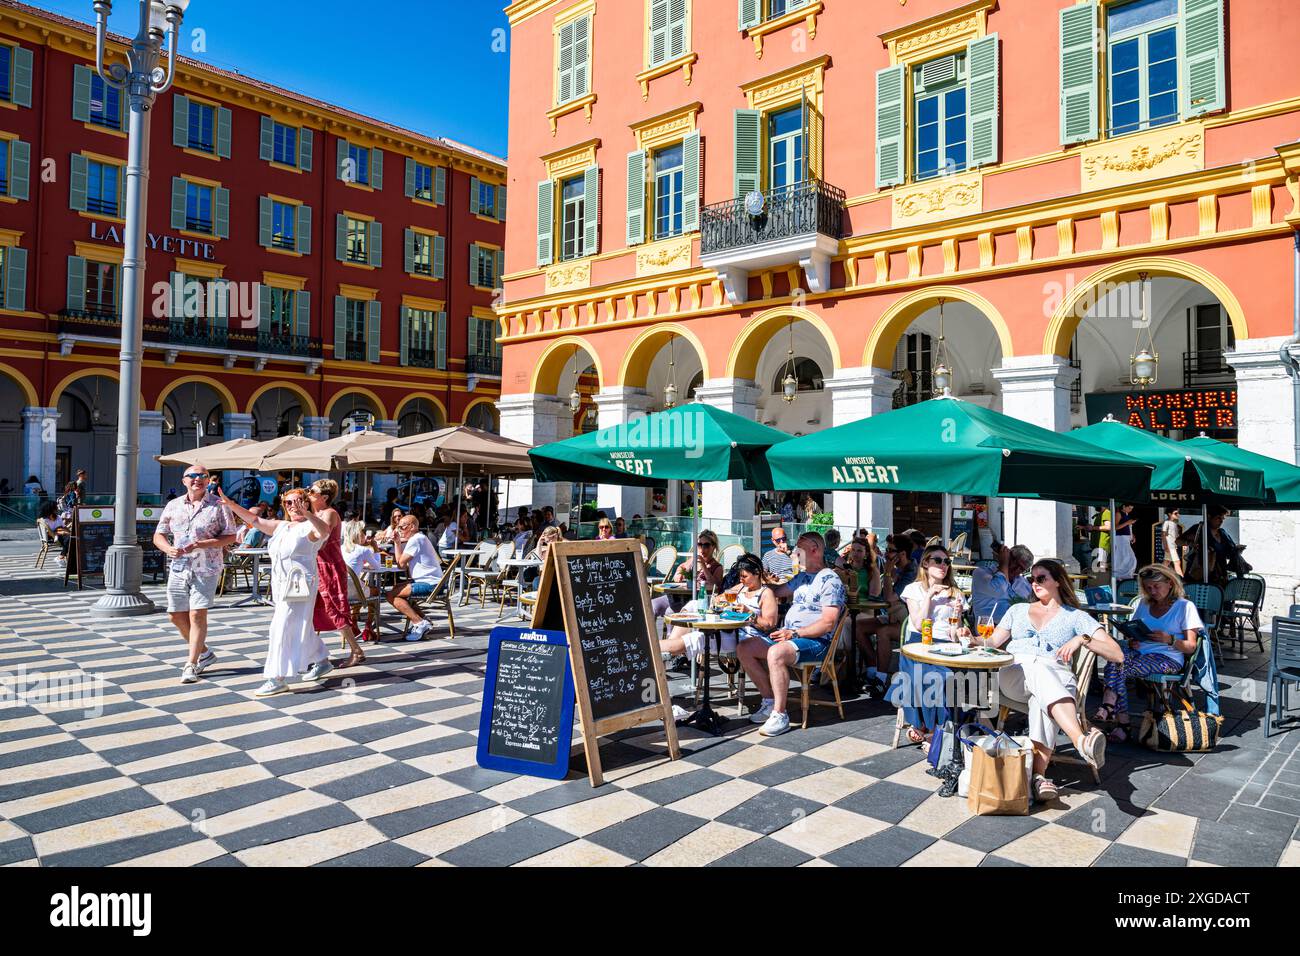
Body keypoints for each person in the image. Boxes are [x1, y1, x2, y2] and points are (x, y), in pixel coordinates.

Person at [981, 559, 1122, 802]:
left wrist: (1083, 639)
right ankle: (1080, 740)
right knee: (1039, 669)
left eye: (1041, 578)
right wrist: (971, 638)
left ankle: (1038, 777)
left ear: (1057, 580)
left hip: (1056, 678)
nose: (1034, 583)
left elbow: (1117, 654)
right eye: (1031, 579)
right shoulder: (1017, 610)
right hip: (1017, 673)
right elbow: (992, 643)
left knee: (1042, 700)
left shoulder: (1077, 617)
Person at [220, 486, 336, 697]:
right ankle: (321, 660)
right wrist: (231, 505)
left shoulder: (310, 526)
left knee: (280, 626)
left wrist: (307, 513)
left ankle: (276, 677)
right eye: (289, 502)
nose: (293, 506)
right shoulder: (282, 526)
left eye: (298, 501)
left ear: (307, 503)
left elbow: (325, 531)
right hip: (281, 583)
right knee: (299, 623)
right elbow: (254, 521)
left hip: (300, 583)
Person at [737, 532, 845, 737]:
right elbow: (777, 592)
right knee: (744, 647)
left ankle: (780, 714)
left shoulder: (830, 580)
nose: (794, 552)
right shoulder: (802, 577)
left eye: (799, 549)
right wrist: (757, 579)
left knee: (776, 653)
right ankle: (769, 702)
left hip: (816, 641)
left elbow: (829, 623)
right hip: (790, 637)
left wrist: (794, 632)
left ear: (814, 550)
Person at [1093, 564, 1201, 743]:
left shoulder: (1184, 607)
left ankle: (1116, 716)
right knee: (1115, 660)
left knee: (1118, 666)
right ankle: (1117, 717)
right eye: (1148, 587)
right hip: (1139, 653)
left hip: (1168, 657)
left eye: (1156, 586)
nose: (1152, 591)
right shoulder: (1144, 604)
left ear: (1170, 583)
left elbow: (1191, 646)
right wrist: (1131, 640)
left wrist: (1170, 639)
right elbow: (1133, 630)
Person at [154, 465, 237, 684]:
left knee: (196, 614)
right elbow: (159, 535)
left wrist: (204, 544)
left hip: (206, 566)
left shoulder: (218, 505)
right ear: (184, 481)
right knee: (175, 614)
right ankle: (205, 652)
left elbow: (231, 536)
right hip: (179, 566)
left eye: (202, 476)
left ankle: (191, 664)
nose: (197, 479)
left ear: (208, 480)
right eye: (192, 476)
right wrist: (167, 548)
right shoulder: (173, 505)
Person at [889, 544, 969, 745]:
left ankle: (931, 728)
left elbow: (954, 633)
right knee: (924, 676)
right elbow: (917, 623)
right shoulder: (913, 589)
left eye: (947, 562)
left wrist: (957, 615)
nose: (944, 565)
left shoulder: (955, 592)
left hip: (945, 645)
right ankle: (929, 728)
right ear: (925, 563)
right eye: (938, 560)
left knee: (945, 677)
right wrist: (930, 596)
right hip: (918, 643)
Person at [305, 480, 366, 669]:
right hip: (316, 566)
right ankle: (312, 654)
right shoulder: (315, 513)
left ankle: (356, 650)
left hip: (329, 567)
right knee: (311, 610)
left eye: (311, 491)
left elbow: (321, 542)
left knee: (334, 608)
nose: (308, 492)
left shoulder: (330, 514)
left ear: (324, 497)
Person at [388, 514, 444, 641]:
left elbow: (401, 564)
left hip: (430, 584)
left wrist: (397, 543)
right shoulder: (419, 538)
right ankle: (424, 620)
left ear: (412, 527)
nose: (399, 530)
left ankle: (419, 622)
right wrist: (397, 542)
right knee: (397, 589)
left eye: (402, 527)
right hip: (433, 582)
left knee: (391, 595)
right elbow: (401, 563)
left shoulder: (416, 540)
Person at [1178, 505, 1247, 586]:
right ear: (1209, 516)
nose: (1221, 521)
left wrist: (1237, 549)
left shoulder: (1222, 533)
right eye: (1218, 518)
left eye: (1223, 519)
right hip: (1200, 572)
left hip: (1219, 575)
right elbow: (1178, 541)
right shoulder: (1199, 529)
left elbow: (1228, 553)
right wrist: (1192, 544)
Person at [971, 544, 1033, 623]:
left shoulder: (1023, 583)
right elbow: (999, 590)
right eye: (1015, 563)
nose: (1016, 569)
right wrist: (1004, 564)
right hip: (989, 628)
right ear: (1007, 558)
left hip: (1016, 628)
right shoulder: (981, 573)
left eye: (1021, 568)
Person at [1162, 508, 1184, 576]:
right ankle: (1181, 579)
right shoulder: (1167, 523)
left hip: (1172, 545)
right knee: (1177, 562)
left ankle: (1158, 573)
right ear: (1169, 514)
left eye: (1178, 513)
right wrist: (1166, 546)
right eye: (1175, 513)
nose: (1178, 514)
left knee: (1167, 562)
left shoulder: (1173, 523)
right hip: (1170, 546)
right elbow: (1163, 535)